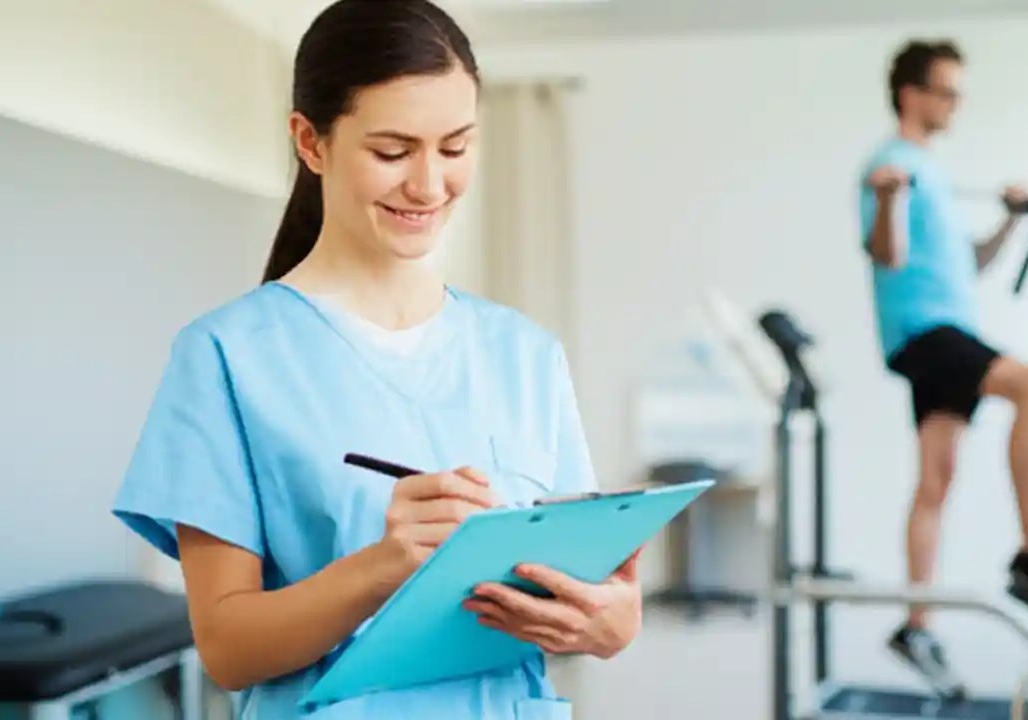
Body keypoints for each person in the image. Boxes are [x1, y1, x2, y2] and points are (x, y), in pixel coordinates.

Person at [111, 1, 642, 717]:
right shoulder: (227, 356)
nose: (429, 185)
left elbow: (593, 592)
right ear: (311, 141)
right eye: (393, 151)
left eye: (455, 148)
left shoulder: (525, 353)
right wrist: (383, 565)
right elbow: (228, 651)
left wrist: (610, 626)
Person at [857, 39, 1028, 697]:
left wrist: (1010, 223)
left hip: (946, 330)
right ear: (913, 94)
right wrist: (889, 200)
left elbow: (973, 263)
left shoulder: (929, 170)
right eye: (947, 91)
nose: (955, 104)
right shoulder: (889, 168)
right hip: (928, 334)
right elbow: (889, 255)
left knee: (937, 477)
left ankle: (917, 622)